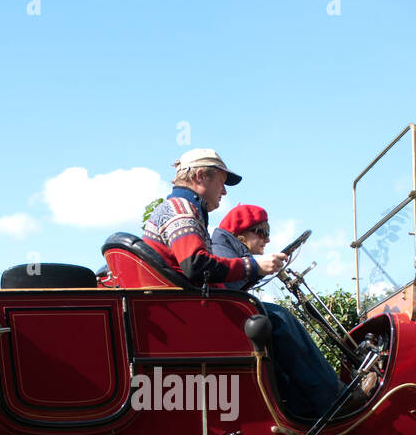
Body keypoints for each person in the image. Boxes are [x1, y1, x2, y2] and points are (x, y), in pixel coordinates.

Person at [211, 204, 350, 419]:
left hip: (229, 318)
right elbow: (230, 288)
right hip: (228, 321)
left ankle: (304, 407)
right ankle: (333, 396)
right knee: (279, 318)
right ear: (240, 236)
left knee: (276, 320)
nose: (267, 240)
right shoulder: (221, 251)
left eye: (268, 233)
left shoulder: (228, 251)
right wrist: (255, 266)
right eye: (262, 233)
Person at [141, 148, 287, 286]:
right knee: (277, 314)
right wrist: (254, 266)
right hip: (184, 305)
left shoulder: (179, 208)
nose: (224, 192)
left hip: (181, 300)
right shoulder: (180, 210)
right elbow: (196, 265)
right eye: (221, 183)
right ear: (200, 176)